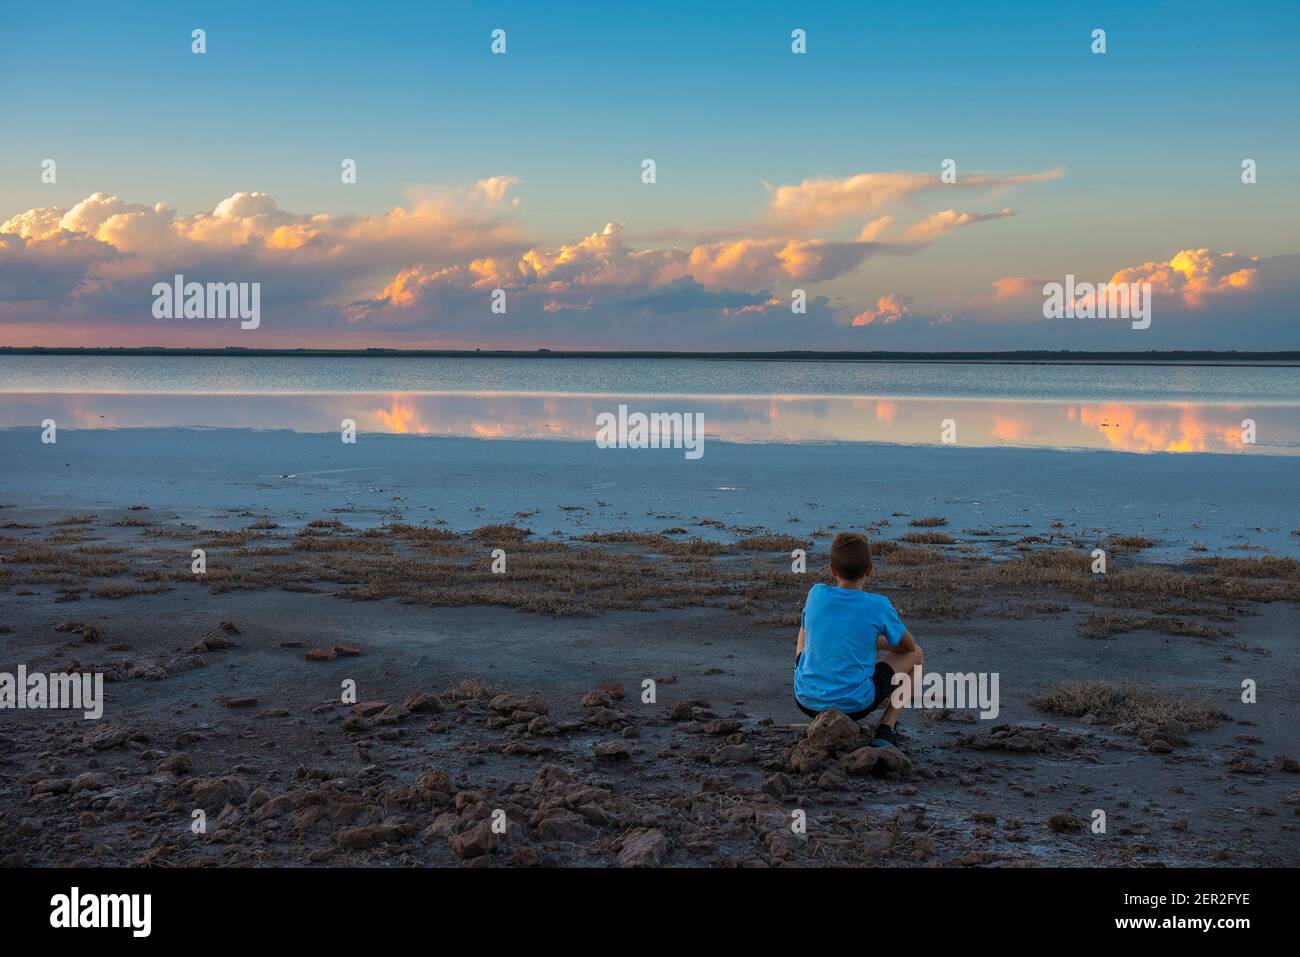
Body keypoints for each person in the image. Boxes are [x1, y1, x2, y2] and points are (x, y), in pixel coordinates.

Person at [793, 531, 924, 748]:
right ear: (870, 570)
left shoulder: (816, 593)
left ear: (832, 569)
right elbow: (908, 647)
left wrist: (859, 639)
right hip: (854, 705)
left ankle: (810, 677)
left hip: (806, 699)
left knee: (806, 626)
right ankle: (886, 728)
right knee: (917, 656)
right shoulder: (878, 605)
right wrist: (871, 640)